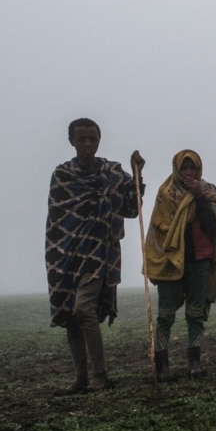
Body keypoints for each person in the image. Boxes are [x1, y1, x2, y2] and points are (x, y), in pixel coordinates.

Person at [45, 118, 144, 394]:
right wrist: (61, 251)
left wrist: (137, 177)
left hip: (100, 252)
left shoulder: (113, 173)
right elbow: (57, 219)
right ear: (72, 142)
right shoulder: (62, 176)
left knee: (83, 308)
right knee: (70, 313)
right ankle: (81, 377)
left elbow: (132, 209)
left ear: (99, 140)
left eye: (92, 139)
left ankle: (100, 375)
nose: (87, 144)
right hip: (66, 254)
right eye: (82, 139)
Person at [143, 150, 216, 380]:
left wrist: (199, 196)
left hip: (198, 259)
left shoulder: (207, 192)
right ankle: (162, 366)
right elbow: (158, 229)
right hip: (170, 261)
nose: (189, 173)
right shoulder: (166, 193)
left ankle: (195, 363)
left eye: (193, 168)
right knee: (165, 313)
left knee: (195, 311)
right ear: (177, 170)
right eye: (184, 168)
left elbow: (214, 226)